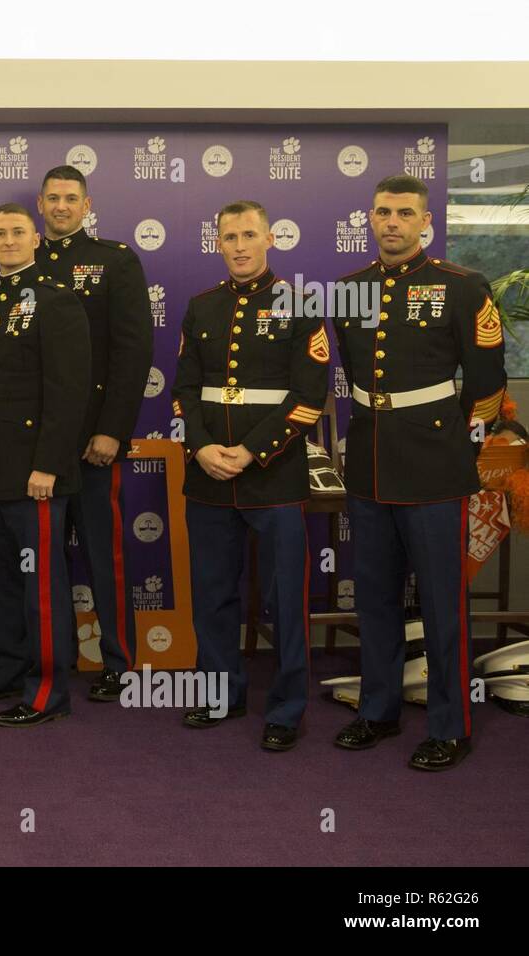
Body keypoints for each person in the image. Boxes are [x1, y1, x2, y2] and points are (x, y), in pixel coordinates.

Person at [332, 174, 506, 771]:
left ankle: (449, 725)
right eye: (382, 212)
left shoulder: (462, 286)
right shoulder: (348, 290)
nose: (392, 223)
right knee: (376, 600)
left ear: (425, 222)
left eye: (405, 213)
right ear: (370, 218)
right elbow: (354, 377)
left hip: (435, 464)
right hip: (370, 462)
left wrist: (457, 443)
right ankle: (377, 712)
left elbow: (485, 386)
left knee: (441, 603)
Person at [171, 200, 328, 751]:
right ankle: (219, 694)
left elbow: (311, 398)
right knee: (212, 594)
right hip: (209, 472)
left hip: (273, 474)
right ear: (217, 243)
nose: (238, 245)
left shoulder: (302, 305)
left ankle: (286, 710)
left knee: (285, 601)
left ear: (270, 239)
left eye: (248, 235)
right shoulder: (202, 307)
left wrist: (251, 450)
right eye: (228, 236)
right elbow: (184, 391)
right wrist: (203, 446)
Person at [0, 203, 90, 727]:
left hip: (36, 470)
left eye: (17, 232)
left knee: (42, 586)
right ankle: (7, 670)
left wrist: (49, 465)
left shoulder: (58, 301)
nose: (8, 240)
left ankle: (48, 690)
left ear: (36, 238)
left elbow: (68, 391)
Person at [36, 165, 153, 701]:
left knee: (104, 556)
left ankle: (118, 662)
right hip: (35, 442)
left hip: (91, 440)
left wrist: (112, 431)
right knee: (42, 559)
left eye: (70, 199)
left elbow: (132, 353)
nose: (61, 207)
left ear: (86, 206)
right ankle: (49, 661)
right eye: (53, 198)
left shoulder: (115, 260)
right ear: (40, 204)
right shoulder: (23, 260)